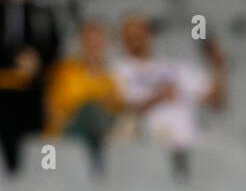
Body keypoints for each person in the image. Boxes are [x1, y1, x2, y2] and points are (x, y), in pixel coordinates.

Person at [113, 14, 226, 161]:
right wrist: (158, 97)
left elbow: (216, 101)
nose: (135, 38)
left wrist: (218, 66)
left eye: (140, 32)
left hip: (191, 142)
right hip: (150, 145)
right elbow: (120, 113)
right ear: (122, 38)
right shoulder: (117, 70)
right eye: (130, 34)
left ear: (149, 35)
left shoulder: (172, 65)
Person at [0, 0, 62, 173]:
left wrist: (37, 61)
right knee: (9, 140)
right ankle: (11, 182)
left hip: (35, 87)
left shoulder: (43, 10)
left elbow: (54, 43)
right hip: (4, 87)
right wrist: (13, 59)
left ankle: (41, 179)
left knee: (38, 139)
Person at [44, 20, 121, 169]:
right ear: (81, 43)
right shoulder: (65, 71)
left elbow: (115, 109)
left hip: (102, 131)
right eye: (89, 41)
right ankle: (98, 166)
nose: (94, 46)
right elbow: (55, 112)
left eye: (99, 41)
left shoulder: (110, 77)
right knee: (90, 109)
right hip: (68, 130)